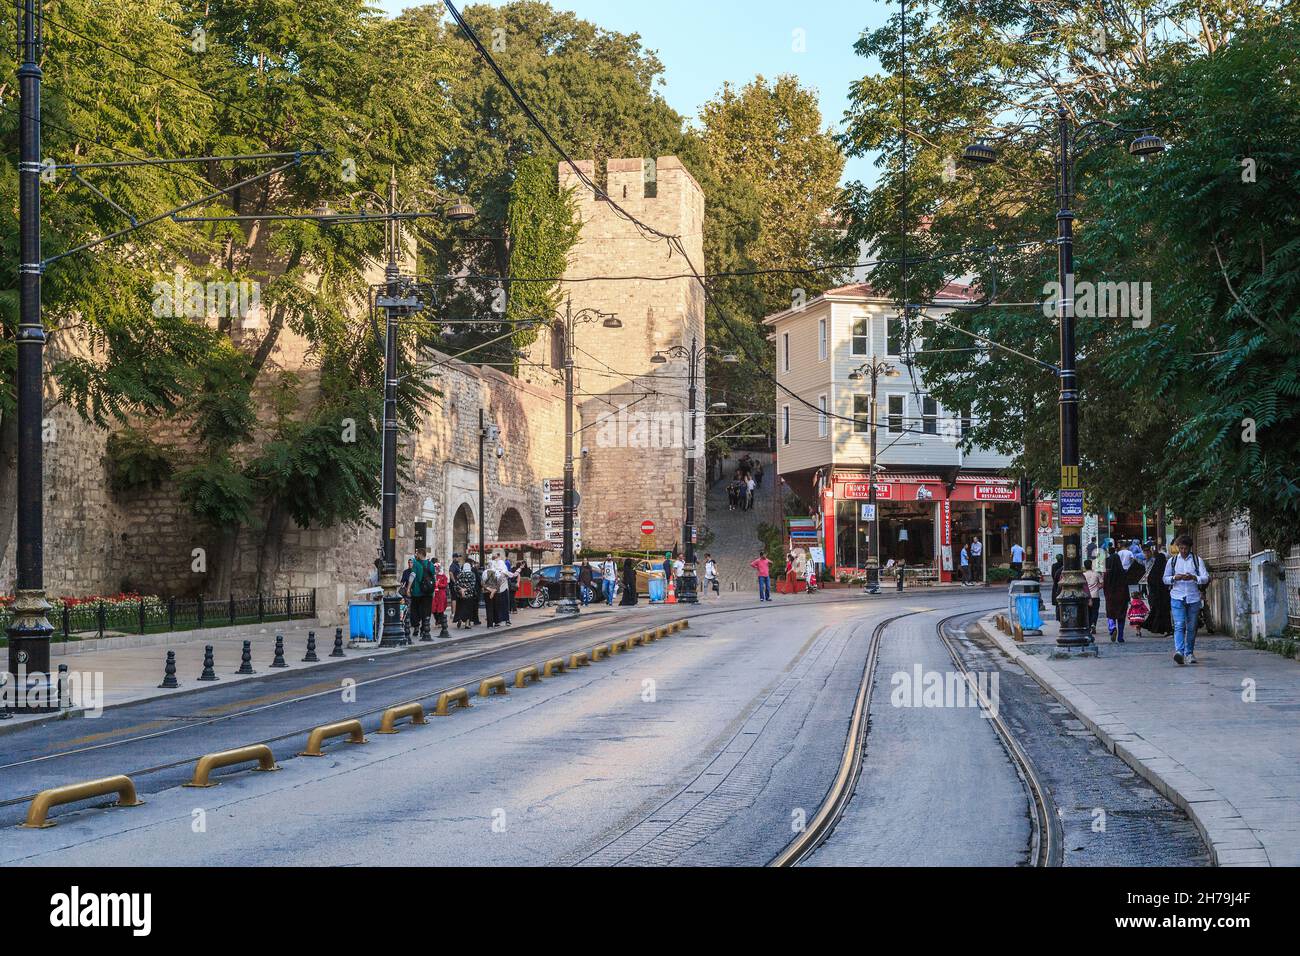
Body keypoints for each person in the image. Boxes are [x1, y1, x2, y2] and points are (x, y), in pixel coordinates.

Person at [1164, 535, 1210, 665]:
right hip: (1177, 596)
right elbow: (1165, 578)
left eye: (1186, 548)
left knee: (1191, 627)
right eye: (1181, 548)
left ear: (1190, 548)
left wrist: (1195, 578)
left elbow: (1205, 577)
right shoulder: (1172, 561)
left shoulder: (1197, 560)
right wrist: (1175, 578)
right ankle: (1179, 651)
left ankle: (1189, 653)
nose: (1183, 551)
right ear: (1178, 548)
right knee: (1179, 625)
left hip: (1193, 597)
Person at [1102, 543, 1129, 643]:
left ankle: (1112, 628)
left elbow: (1105, 586)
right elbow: (1126, 586)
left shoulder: (1107, 574)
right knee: (1121, 617)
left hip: (1110, 597)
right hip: (1121, 597)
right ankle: (1120, 636)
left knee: (1111, 614)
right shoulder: (1122, 573)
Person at [1145, 542, 1172, 637]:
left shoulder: (1154, 571)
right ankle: (1168, 629)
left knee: (1157, 613)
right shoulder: (1165, 571)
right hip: (1165, 597)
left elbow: (1150, 581)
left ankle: (1164, 629)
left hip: (1156, 597)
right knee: (1166, 614)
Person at [408, 548, 435, 640]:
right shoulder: (431, 564)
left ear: (420, 554)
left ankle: (416, 627)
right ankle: (424, 628)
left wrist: (408, 588)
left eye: (417, 554)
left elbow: (412, 576)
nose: (416, 555)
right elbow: (433, 578)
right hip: (428, 592)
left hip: (417, 591)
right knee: (426, 610)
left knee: (415, 609)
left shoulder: (416, 564)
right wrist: (433, 591)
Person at [453, 559, 478, 628]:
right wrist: (465, 589)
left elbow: (456, 584)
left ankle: (460, 619)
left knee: (460, 608)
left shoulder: (460, 574)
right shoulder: (472, 574)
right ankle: (467, 624)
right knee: (468, 609)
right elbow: (472, 585)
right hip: (469, 595)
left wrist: (461, 590)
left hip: (460, 595)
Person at [1083, 558, 1102, 637]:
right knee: (1095, 611)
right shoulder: (1096, 574)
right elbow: (1102, 583)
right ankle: (1093, 624)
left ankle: (1089, 625)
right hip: (1095, 595)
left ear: (1084, 566)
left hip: (1086, 596)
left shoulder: (1083, 575)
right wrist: (1097, 588)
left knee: (1087, 612)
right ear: (1091, 565)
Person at [431, 561, 450, 637]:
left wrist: (438, 584)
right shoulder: (433, 576)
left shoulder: (443, 576)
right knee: (434, 608)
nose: (436, 570)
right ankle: (437, 620)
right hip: (434, 594)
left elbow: (445, 585)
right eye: (435, 568)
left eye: (437, 568)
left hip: (441, 594)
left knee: (440, 608)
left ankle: (440, 622)